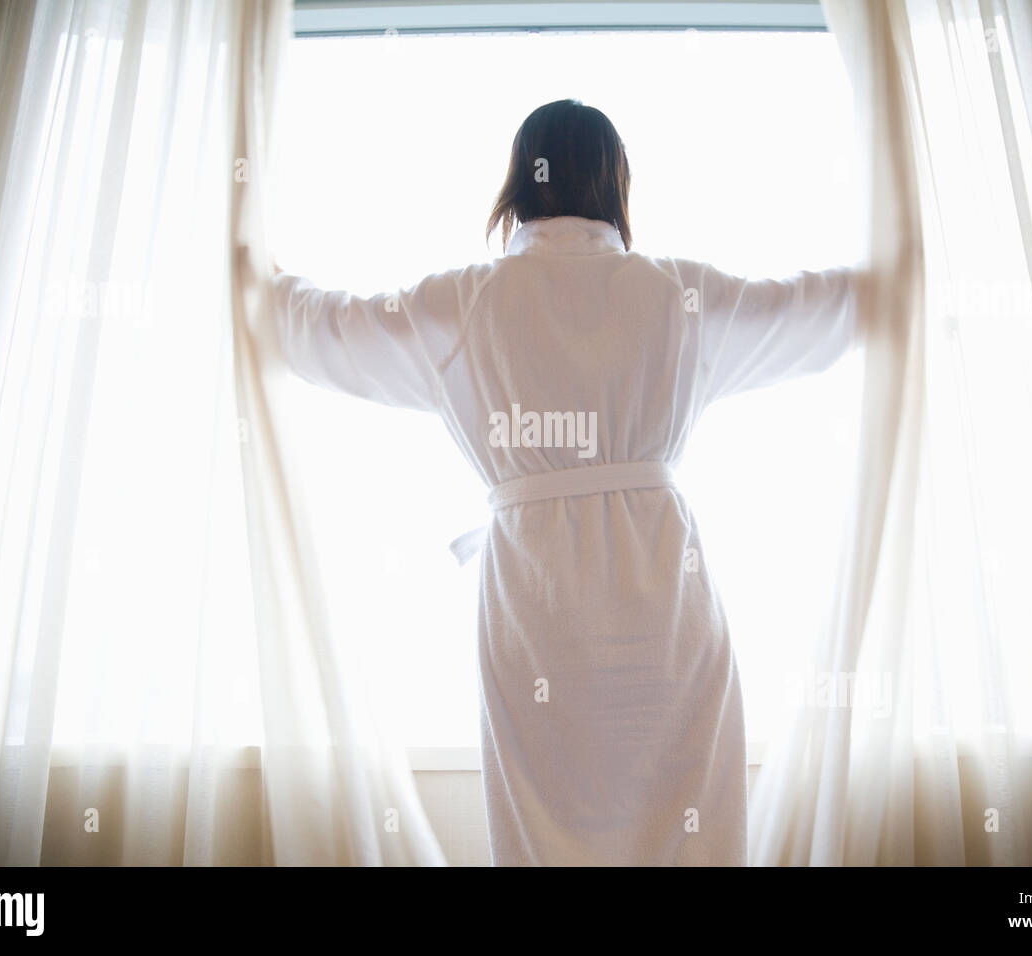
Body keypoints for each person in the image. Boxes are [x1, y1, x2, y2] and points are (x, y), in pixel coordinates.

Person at [271, 98, 861, 866]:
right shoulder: (674, 293)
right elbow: (811, 312)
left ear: (517, 186)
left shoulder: (468, 302)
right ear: (617, 183)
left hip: (536, 620)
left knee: (546, 840)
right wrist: (894, 268)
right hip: (668, 618)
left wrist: (262, 277)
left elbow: (329, 331)